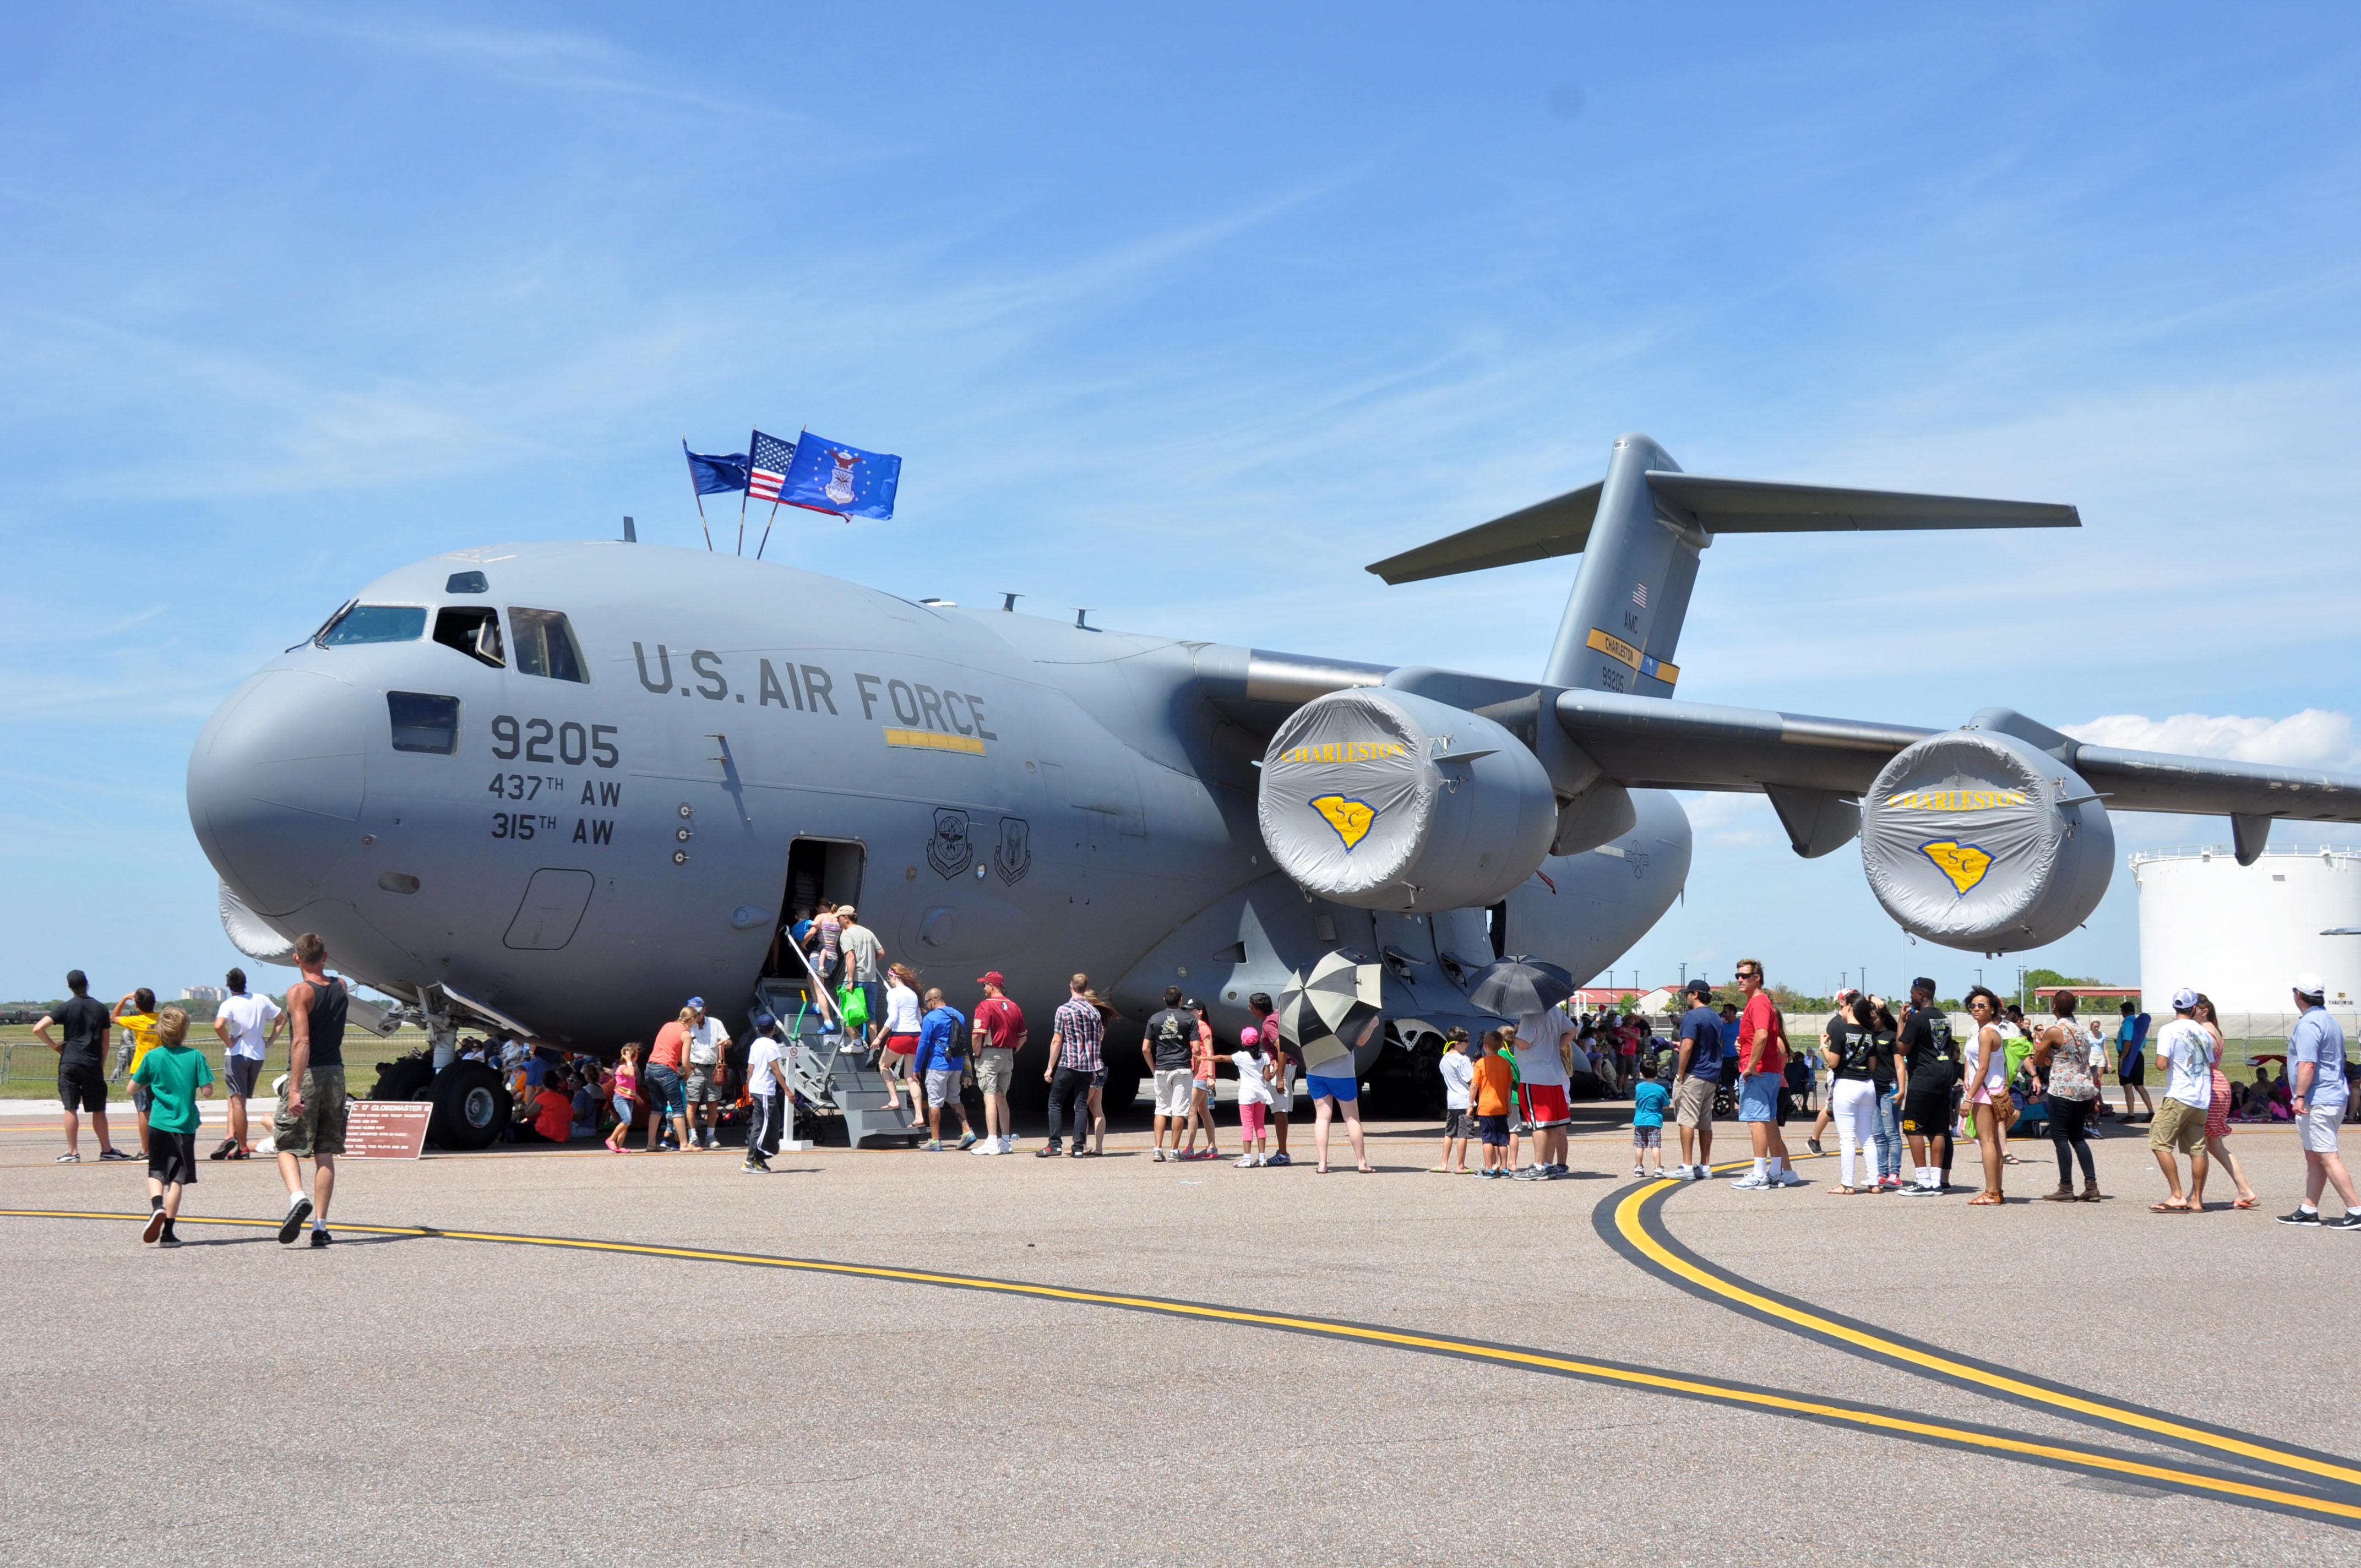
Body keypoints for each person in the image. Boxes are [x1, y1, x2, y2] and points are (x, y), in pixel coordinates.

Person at [275, 933, 347, 1248]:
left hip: (310, 1074)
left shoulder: (299, 992)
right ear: (325, 957)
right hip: (336, 1074)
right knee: (325, 1151)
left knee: (286, 1143)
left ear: (296, 958)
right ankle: (320, 1225)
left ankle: (297, 1198)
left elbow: (301, 1040)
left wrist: (294, 1088)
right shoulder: (341, 986)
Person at [2280, 973, 2360, 1227]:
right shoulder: (2331, 1021)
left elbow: (2308, 1063)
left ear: (2298, 995)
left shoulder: (2308, 1025)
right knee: (2314, 1156)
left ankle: (2356, 1210)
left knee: (2327, 1156)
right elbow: (2342, 1059)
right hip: (2333, 1095)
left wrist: (2300, 1096)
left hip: (2318, 1099)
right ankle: (2309, 1208)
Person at [133, 1007, 213, 1246]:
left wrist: (149, 1082)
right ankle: (168, 1232)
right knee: (177, 1179)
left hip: (158, 1122)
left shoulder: (153, 1057)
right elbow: (208, 1091)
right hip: (185, 1125)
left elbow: (132, 1088)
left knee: (156, 1170)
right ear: (184, 1030)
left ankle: (157, 1205)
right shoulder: (196, 1056)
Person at [31, 969, 129, 1163]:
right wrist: (101, 1064)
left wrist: (54, 1045)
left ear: (70, 987)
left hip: (69, 1061)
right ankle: (106, 1150)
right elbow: (105, 1042)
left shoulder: (65, 1007)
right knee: (98, 1109)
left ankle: (72, 1152)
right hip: (91, 1062)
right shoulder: (100, 1008)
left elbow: (38, 1028)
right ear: (87, 984)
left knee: (70, 1108)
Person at [1729, 960, 1797, 1189]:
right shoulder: (1762, 1002)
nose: (1740, 979)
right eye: (1738, 975)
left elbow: (1762, 1034)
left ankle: (1759, 1173)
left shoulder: (1758, 1002)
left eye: (1745, 976)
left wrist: (1751, 1065)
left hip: (1758, 1073)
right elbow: (1759, 1037)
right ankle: (1776, 1172)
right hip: (1769, 1072)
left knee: (1756, 1120)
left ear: (1757, 978)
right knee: (1769, 1121)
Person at [2030, 989, 2102, 1202]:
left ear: (2054, 1006)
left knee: (2060, 1137)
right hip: (2083, 1087)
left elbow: (2038, 1059)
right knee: (2078, 1137)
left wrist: (2047, 1059)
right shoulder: (2082, 1031)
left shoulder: (2055, 1031)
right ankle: (2091, 1185)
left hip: (2062, 1088)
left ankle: (2066, 1187)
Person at [2189, 995, 2259, 1209]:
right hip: (2217, 1083)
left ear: (2204, 1011)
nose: (2190, 1013)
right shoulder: (2212, 1028)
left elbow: (2203, 1054)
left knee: (2200, 1144)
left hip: (2210, 1086)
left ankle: (2195, 1196)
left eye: (2193, 1010)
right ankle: (2245, 1190)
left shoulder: (2207, 1030)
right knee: (2215, 1145)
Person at [2148, 988, 2213, 1213]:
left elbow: (2161, 1064)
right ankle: (2197, 1199)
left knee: (2159, 1142)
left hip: (2180, 1094)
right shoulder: (2204, 1033)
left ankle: (2177, 1195)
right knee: (2197, 1149)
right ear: (2194, 1008)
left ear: (2175, 1007)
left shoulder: (2169, 1030)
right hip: (2201, 1097)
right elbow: (2209, 1062)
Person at [209, 967, 281, 1160]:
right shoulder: (261, 1000)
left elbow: (219, 1025)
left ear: (228, 985)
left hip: (237, 1055)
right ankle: (231, 1135)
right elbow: (281, 1019)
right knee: (234, 1098)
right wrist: (270, 1041)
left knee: (238, 1101)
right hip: (257, 1055)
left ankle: (242, 1147)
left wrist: (229, 1042)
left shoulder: (229, 1004)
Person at [1896, 977, 1959, 1195]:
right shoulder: (1944, 1019)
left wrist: (1901, 1022)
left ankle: (1923, 1181)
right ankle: (1936, 1181)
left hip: (1924, 1077)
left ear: (1921, 995)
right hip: (1944, 1076)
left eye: (1913, 993)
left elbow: (1902, 1048)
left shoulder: (1917, 1020)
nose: (1911, 997)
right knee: (1938, 1129)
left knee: (1912, 1127)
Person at [1821, 995, 1882, 1194]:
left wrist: (1823, 1046)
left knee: (1847, 1138)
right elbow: (1872, 1066)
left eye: (1844, 1005)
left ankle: (1847, 1184)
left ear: (1850, 1008)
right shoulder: (1870, 1034)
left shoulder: (1840, 1031)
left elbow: (1833, 1062)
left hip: (1846, 1085)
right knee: (1867, 1136)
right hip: (1867, 1086)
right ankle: (1874, 1182)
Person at [1513, 1000, 1576, 1180]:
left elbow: (1523, 1044)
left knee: (1539, 1123)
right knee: (1552, 1123)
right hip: (1553, 1073)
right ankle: (1548, 1164)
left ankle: (1539, 1166)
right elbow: (1572, 1031)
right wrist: (1555, 1046)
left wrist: (1514, 1034)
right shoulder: (1555, 1011)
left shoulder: (1531, 1015)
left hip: (1534, 1075)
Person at [1041, 974, 1101, 1158]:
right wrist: (1095, 1067)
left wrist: (1050, 1067)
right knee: (1081, 1106)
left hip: (1068, 1063)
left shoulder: (1064, 1010)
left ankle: (1055, 1144)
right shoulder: (1094, 1012)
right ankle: (1079, 1147)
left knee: (1055, 1102)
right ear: (1086, 988)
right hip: (1087, 1066)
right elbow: (1098, 1040)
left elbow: (1057, 1040)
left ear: (1071, 987)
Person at [1961, 987, 2010, 1207]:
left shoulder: (1986, 1033)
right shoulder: (1990, 1031)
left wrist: (1969, 1097)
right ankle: (1996, 1190)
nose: (1976, 1009)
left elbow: (1983, 1068)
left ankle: (1991, 1192)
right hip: (1995, 1089)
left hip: (1985, 1092)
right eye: (1973, 1005)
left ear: (1992, 1009)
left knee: (1987, 1141)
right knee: (1994, 1142)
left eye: (1982, 1006)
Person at [1140, 986, 1199, 1163]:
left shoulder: (1155, 1019)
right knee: (1179, 1111)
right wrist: (1195, 1068)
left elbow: (1145, 1048)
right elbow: (1196, 1049)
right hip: (1182, 1068)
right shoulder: (1190, 1019)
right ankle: (1174, 1151)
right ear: (1181, 1000)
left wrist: (1153, 1069)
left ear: (1165, 1000)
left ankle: (1158, 1149)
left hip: (1162, 1068)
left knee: (1161, 1109)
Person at [969, 972, 1025, 1156]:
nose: (984, 988)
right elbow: (1023, 1036)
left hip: (989, 1054)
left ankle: (992, 1140)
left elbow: (977, 1035)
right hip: (1008, 1055)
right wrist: (1012, 1051)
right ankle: (1006, 1141)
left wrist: (977, 1055)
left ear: (992, 986)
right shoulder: (1014, 1006)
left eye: (985, 985)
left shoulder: (985, 1006)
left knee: (989, 1096)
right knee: (1002, 1097)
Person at [1671, 979, 1722, 1179]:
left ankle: (1686, 1167)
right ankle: (1705, 1166)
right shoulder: (1716, 1017)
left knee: (1687, 1119)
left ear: (1696, 994)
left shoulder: (1693, 1016)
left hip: (1694, 1073)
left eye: (1688, 994)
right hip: (1711, 1073)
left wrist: (1680, 1073)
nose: (1687, 997)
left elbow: (1687, 1046)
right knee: (1705, 1122)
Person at [913, 987, 975, 1151]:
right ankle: (967, 1132)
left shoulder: (931, 1018)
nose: (927, 1006)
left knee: (934, 1102)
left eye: (927, 1002)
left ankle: (935, 1141)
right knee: (955, 1098)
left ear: (934, 1000)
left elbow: (923, 1044)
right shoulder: (959, 1015)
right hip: (957, 1065)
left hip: (938, 1065)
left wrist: (917, 1067)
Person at [1304, 1036, 1373, 1175]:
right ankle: (1362, 1162)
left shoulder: (1310, 1023)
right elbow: (1361, 1041)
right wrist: (1372, 1026)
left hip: (1315, 1071)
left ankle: (1322, 1164)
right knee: (1351, 1118)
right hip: (1342, 1073)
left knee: (1322, 1118)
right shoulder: (1343, 1022)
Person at [111, 988, 162, 1156]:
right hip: (161, 1068)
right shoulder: (162, 1019)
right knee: (161, 1107)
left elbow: (114, 1017)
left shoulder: (137, 1020)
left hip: (141, 1069)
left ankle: (146, 1149)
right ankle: (162, 1147)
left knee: (144, 1110)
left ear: (137, 1006)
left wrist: (125, 998)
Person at [680, 998, 733, 1151]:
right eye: (692, 1013)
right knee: (692, 1102)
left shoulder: (716, 1023)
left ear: (704, 1010)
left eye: (697, 1013)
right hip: (695, 1067)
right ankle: (693, 1136)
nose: (695, 1016)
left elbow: (729, 1041)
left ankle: (710, 1135)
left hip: (713, 1068)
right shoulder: (687, 1025)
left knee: (713, 1102)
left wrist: (725, 1043)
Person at [876, 965, 924, 1126]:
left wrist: (879, 1037)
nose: (889, 980)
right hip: (916, 1036)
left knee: (883, 1065)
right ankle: (919, 1116)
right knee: (911, 1077)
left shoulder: (893, 993)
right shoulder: (913, 994)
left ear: (894, 977)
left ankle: (894, 1099)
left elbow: (892, 1018)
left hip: (900, 1035)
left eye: (889, 977)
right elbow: (919, 1019)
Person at [1252, 992, 1295, 1165]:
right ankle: (1282, 1152)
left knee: (1279, 1111)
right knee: (1280, 1110)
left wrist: (1280, 1078)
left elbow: (1281, 1048)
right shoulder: (1277, 1015)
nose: (1249, 1009)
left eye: (1251, 1007)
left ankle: (1283, 1154)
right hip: (1288, 1066)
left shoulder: (1269, 1024)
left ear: (1259, 1010)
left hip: (1280, 1069)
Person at [742, 1015, 786, 1173]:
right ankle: (750, 1161)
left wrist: (749, 1089)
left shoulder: (755, 1044)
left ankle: (761, 1157)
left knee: (772, 1122)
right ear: (774, 1029)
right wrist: (787, 1090)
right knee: (763, 1125)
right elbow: (775, 1069)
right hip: (765, 1090)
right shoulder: (771, 1045)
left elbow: (750, 1069)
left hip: (757, 1087)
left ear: (757, 1029)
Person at [644, 1009, 692, 1152]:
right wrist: (686, 1076)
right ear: (692, 1020)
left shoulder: (667, 1025)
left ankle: (651, 1144)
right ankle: (684, 1145)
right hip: (666, 1070)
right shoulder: (686, 1034)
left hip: (651, 1067)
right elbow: (685, 1062)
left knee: (657, 1108)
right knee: (678, 1108)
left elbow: (668, 1050)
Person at [1471, 1032, 1516, 1178]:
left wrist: (1471, 1103)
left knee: (1488, 1139)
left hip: (1486, 1107)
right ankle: (1504, 1168)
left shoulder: (1481, 1063)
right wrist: (1508, 1106)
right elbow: (1509, 1087)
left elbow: (1474, 1085)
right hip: (1501, 1106)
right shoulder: (1506, 1063)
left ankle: (1489, 1168)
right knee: (1503, 1140)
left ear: (1485, 1046)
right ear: (1501, 1045)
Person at [1182, 998, 1222, 1161]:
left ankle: (1189, 1148)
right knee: (1203, 1111)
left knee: (1191, 1110)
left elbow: (1210, 1053)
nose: (1188, 1012)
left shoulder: (1203, 1027)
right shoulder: (1193, 1027)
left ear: (1200, 1012)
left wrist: (1211, 1076)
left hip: (1202, 1072)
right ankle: (1212, 1147)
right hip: (1197, 1071)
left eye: (1191, 1010)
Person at [838, 905, 885, 1039]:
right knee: (871, 1017)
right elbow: (881, 952)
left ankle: (856, 1043)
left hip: (855, 980)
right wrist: (869, 960)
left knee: (843, 1014)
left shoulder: (847, 934)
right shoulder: (868, 932)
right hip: (871, 981)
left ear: (846, 918)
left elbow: (850, 957)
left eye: (839, 918)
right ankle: (875, 1046)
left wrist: (850, 980)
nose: (838, 921)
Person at [1232, 1025, 1275, 1168]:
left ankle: (1247, 1158)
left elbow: (1221, 1058)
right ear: (1258, 1042)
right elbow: (1268, 1078)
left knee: (1247, 1127)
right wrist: (1275, 1070)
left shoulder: (1240, 1056)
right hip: (1261, 1094)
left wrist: (1206, 1058)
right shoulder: (1265, 1057)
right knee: (1260, 1126)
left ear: (1243, 1043)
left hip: (1246, 1095)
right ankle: (1262, 1158)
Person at [1434, 1026, 1475, 1175]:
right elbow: (1472, 1081)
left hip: (1452, 1101)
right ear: (1458, 1043)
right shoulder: (1463, 1060)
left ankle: (1444, 1164)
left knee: (1449, 1133)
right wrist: (1473, 1066)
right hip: (1464, 1100)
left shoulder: (1444, 1059)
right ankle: (1461, 1165)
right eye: (1466, 1041)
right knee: (1463, 1134)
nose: (1468, 1044)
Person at [2114, 1000, 2154, 1121]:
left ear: (2123, 1012)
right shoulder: (2138, 1024)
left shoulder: (2128, 1023)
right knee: (2139, 1086)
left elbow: (2128, 1041)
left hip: (2129, 1057)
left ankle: (2131, 1114)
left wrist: (2122, 1057)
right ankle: (2151, 1112)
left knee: (2128, 1086)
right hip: (2138, 1056)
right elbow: (2143, 1043)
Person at [1631, 1057, 1671, 1179]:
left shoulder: (1639, 1087)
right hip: (1654, 1121)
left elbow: (1638, 1098)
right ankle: (1658, 1169)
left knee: (1640, 1146)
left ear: (1642, 1074)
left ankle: (1639, 1168)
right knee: (1655, 1146)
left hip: (1640, 1121)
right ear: (1656, 1072)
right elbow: (1666, 1106)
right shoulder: (1660, 1089)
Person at [517, 1069, 575, 1144]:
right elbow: (569, 1119)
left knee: (514, 1127)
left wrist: (536, 1094)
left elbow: (528, 1113)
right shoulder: (564, 1098)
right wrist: (568, 1136)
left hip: (545, 1133)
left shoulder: (543, 1097)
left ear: (542, 1083)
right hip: (562, 1135)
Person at [607, 1043, 643, 1153]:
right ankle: (611, 1139)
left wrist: (636, 1096)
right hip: (621, 1098)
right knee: (627, 1120)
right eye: (636, 1055)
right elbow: (631, 1074)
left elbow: (630, 1085)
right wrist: (629, 1061)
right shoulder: (622, 1067)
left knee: (625, 1123)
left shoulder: (629, 1067)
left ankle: (619, 1146)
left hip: (629, 1098)